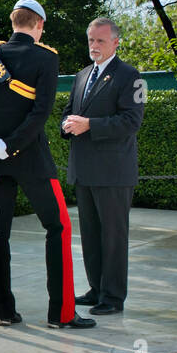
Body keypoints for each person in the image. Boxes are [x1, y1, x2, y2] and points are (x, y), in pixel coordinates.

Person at [0, 0, 92, 329]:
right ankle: (60, 314)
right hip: (33, 159)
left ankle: (3, 311)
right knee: (58, 228)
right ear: (39, 25)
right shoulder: (46, 58)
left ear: (13, 21)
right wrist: (13, 144)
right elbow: (41, 112)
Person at [60, 17, 144, 315]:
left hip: (113, 173)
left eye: (100, 41)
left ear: (116, 42)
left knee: (113, 237)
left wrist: (90, 125)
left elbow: (131, 121)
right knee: (91, 236)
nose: (94, 46)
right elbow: (70, 112)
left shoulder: (132, 77)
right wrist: (66, 124)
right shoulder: (82, 75)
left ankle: (113, 297)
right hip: (84, 171)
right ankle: (96, 289)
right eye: (91, 40)